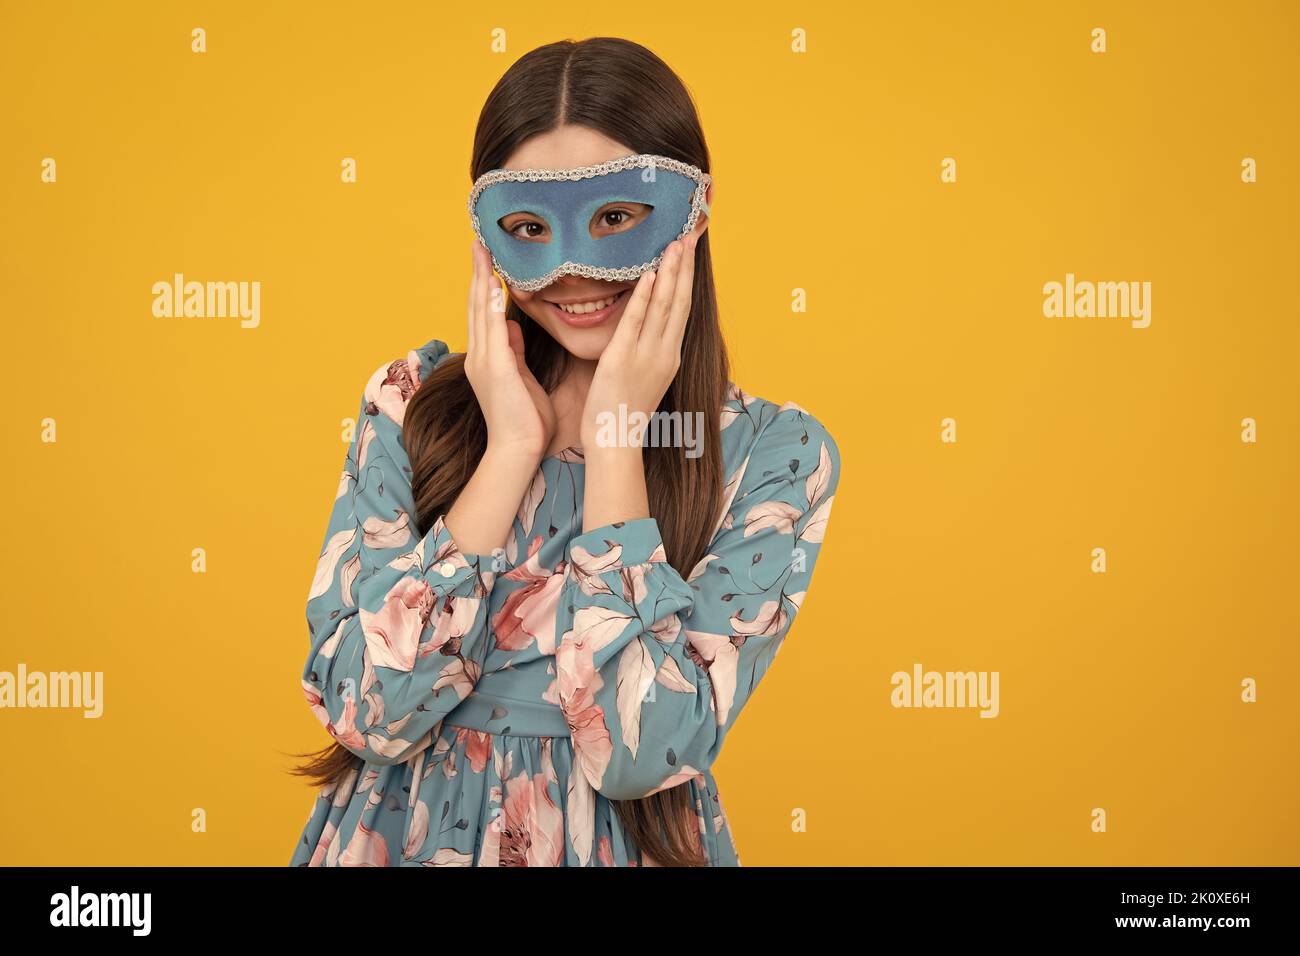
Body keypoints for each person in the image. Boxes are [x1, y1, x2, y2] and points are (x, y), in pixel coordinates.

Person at [289, 36, 841, 867]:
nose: (572, 268)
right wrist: (511, 446)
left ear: (696, 208)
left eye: (616, 218)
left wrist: (618, 436)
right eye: (528, 227)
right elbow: (368, 712)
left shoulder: (776, 456)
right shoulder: (409, 403)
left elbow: (638, 751)